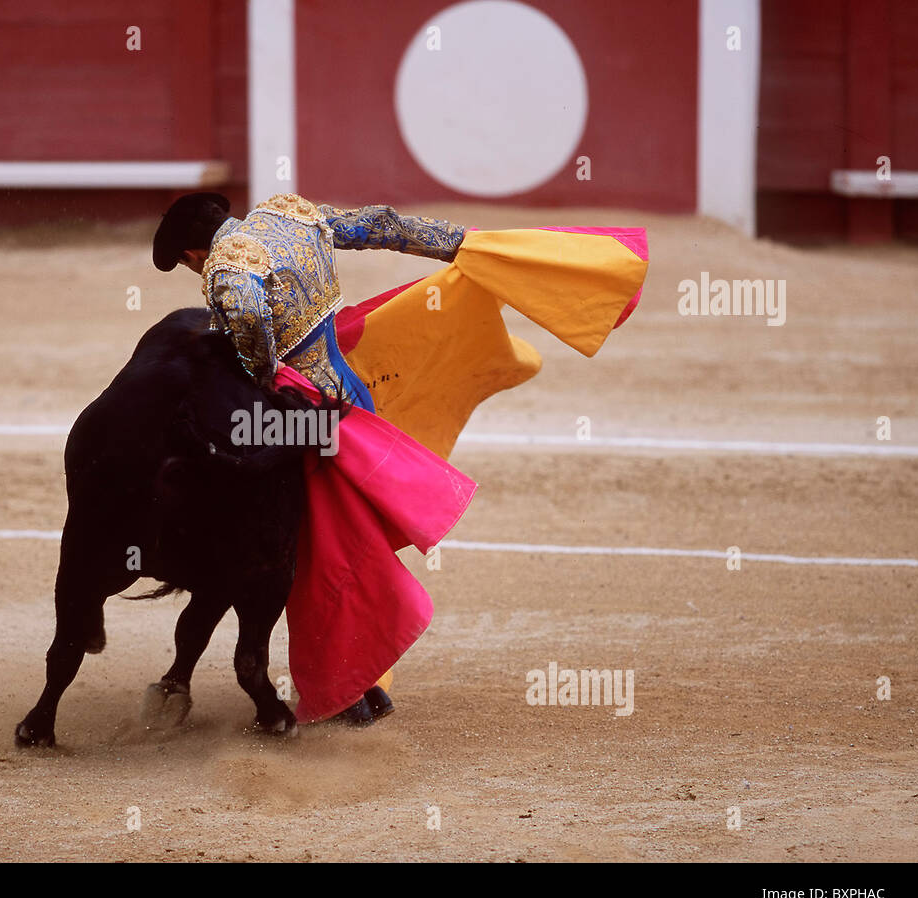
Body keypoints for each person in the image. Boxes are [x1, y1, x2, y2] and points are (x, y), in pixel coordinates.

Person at [154, 191, 649, 727]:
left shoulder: (228, 266)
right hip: (349, 399)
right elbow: (380, 225)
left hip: (300, 422)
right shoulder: (289, 215)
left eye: (186, 263)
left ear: (193, 255)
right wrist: (459, 245)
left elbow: (249, 319)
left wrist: (260, 371)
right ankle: (363, 682)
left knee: (319, 554)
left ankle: (349, 690)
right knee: (350, 541)